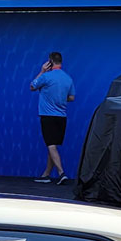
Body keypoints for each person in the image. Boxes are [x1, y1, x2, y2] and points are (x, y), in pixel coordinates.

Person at [30, 51, 76, 183]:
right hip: (62, 117)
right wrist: (58, 97)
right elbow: (71, 97)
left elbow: (32, 86)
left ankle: (62, 173)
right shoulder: (68, 78)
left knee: (51, 145)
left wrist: (42, 71)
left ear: (50, 62)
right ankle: (46, 175)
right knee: (53, 145)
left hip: (48, 116)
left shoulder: (46, 76)